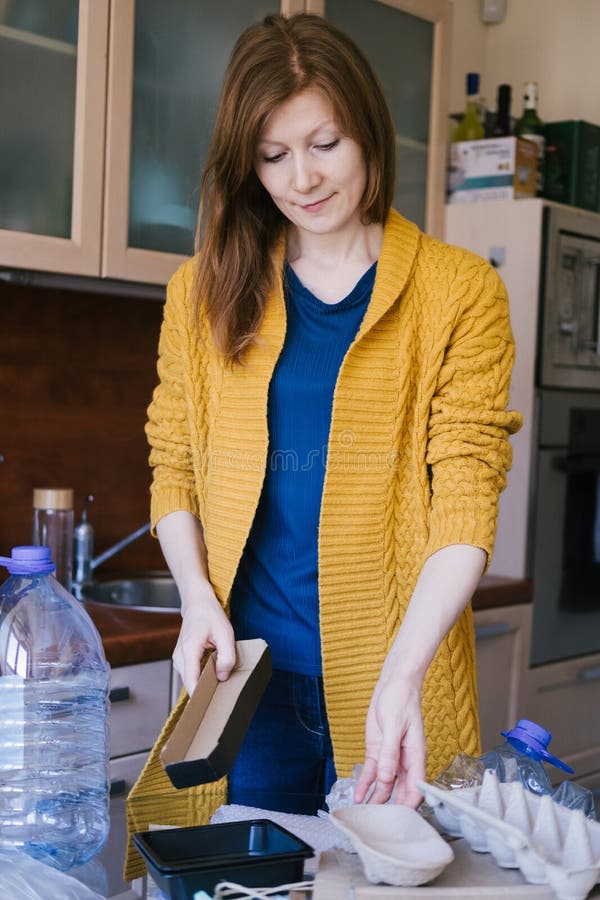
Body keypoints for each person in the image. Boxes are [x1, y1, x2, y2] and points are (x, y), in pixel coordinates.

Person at [144, 12, 522, 821]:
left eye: (326, 145)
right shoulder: (203, 290)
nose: (302, 179)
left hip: (397, 685)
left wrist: (405, 674)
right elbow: (172, 460)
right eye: (273, 156)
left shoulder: (459, 293)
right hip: (247, 688)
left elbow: (466, 491)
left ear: (370, 136)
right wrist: (196, 600)